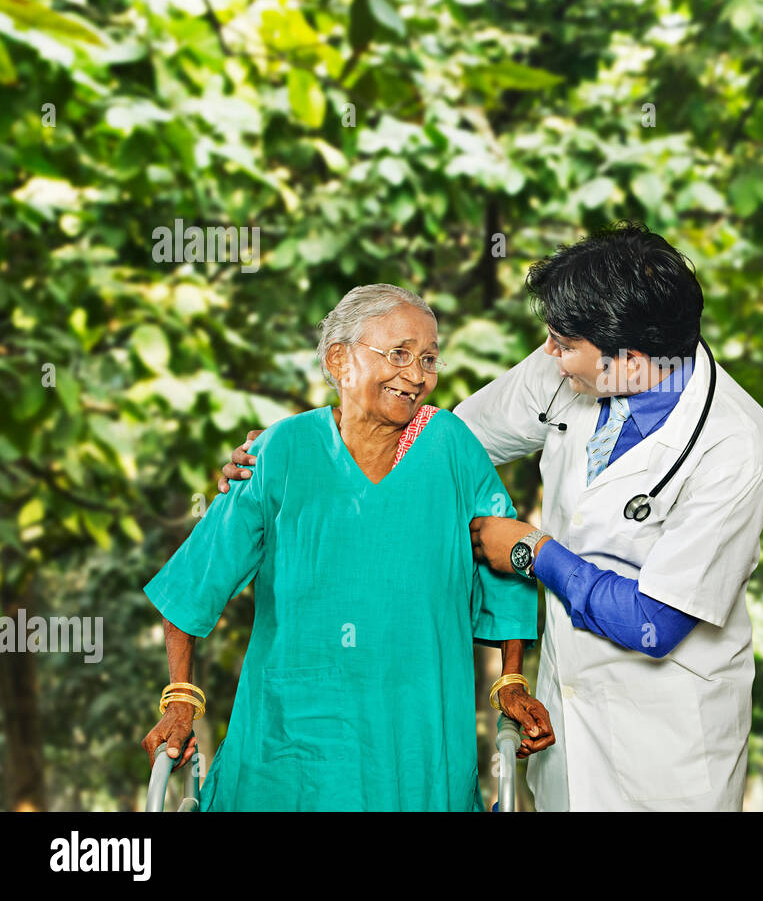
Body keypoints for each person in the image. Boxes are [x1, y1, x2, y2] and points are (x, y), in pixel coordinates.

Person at [221, 222, 763, 810]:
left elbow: (657, 622)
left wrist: (531, 551)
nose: (548, 355)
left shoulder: (736, 447)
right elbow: (449, 441)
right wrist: (310, 449)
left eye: (564, 345)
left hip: (668, 743)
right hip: (563, 714)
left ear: (631, 361)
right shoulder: (570, 363)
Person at [140, 284, 552, 811]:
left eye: (428, 358)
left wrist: (511, 681)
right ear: (341, 359)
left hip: (417, 734)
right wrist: (179, 698)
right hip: (290, 735)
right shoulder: (279, 450)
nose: (417, 374)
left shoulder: (450, 445)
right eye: (399, 353)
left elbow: (504, 565)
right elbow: (197, 578)